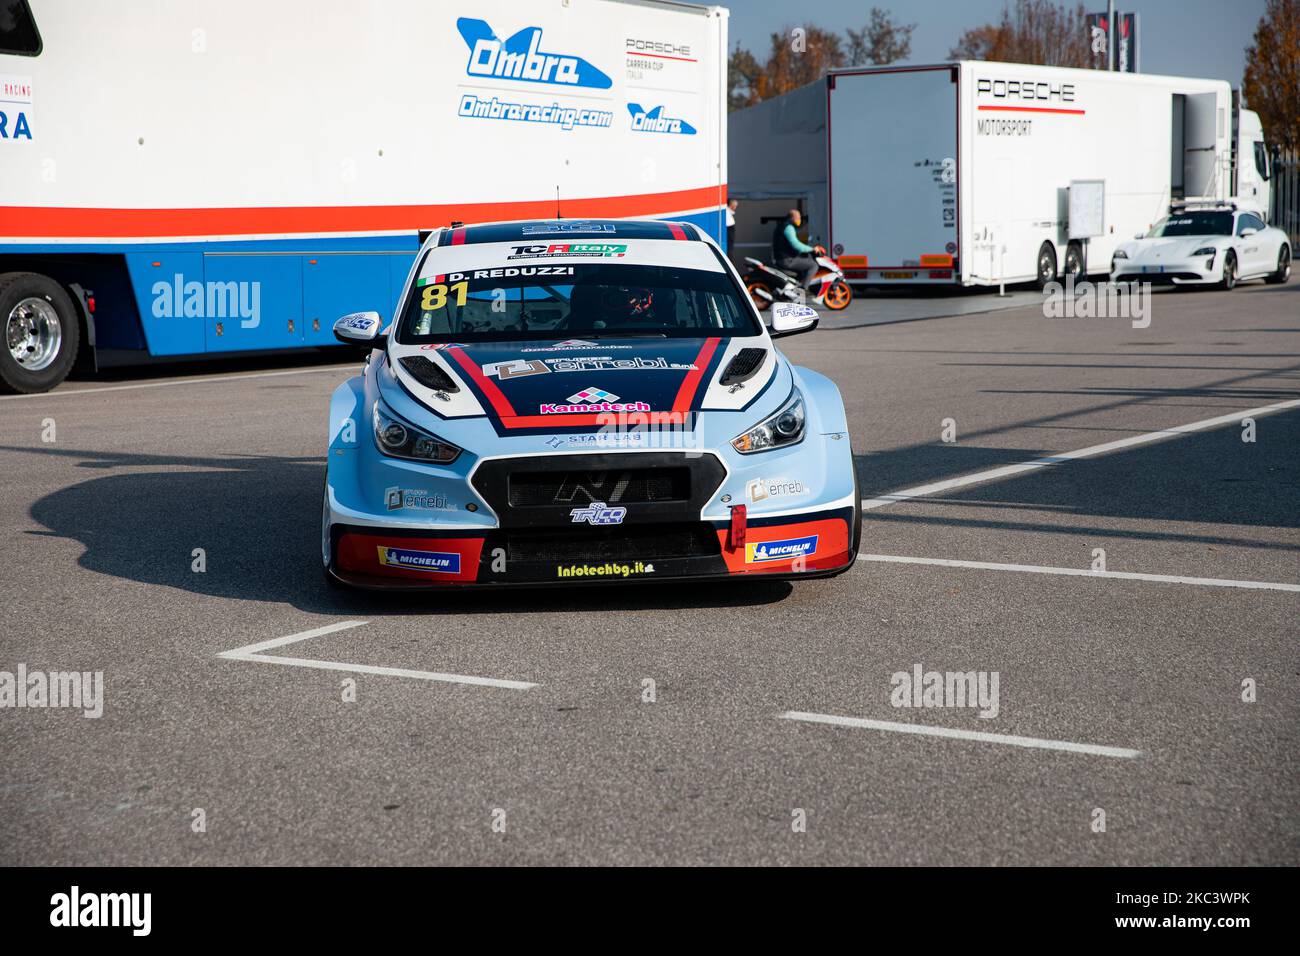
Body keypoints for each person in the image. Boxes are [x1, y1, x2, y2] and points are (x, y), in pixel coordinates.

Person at [771, 209, 824, 289]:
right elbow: (796, 245)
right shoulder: (788, 227)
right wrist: (812, 249)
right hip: (787, 259)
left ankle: (798, 284)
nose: (799, 220)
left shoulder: (782, 225)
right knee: (813, 265)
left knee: (805, 260)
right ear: (793, 218)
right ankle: (803, 288)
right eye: (798, 218)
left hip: (781, 258)